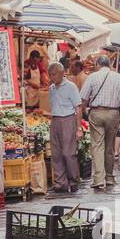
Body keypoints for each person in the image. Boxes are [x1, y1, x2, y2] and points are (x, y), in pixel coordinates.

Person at [80, 54, 120, 191]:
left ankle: (98, 179)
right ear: (109, 64)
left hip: (96, 113)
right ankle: (109, 177)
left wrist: (83, 111)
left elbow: (83, 98)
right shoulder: (118, 77)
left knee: (97, 145)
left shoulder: (92, 77)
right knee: (110, 147)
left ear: (98, 64)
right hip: (114, 113)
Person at [48, 61, 84, 194]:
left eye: (54, 74)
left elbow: (78, 107)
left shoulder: (71, 86)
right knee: (56, 153)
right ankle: (60, 183)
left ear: (62, 74)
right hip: (55, 120)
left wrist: (79, 128)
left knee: (68, 153)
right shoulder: (51, 88)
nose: (52, 77)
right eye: (50, 75)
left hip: (68, 119)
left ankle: (73, 181)